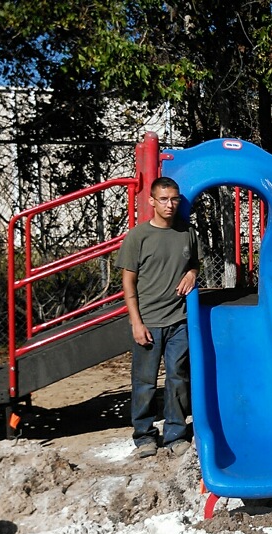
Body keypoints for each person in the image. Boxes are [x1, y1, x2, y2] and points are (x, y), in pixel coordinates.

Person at [116, 176, 200, 459]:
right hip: (149, 321)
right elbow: (128, 282)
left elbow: (194, 265)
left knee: (178, 378)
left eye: (174, 199)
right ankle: (144, 435)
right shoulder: (138, 237)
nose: (169, 204)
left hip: (179, 320)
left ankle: (175, 433)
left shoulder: (187, 232)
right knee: (145, 381)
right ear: (152, 201)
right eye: (163, 199)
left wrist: (192, 273)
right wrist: (136, 322)